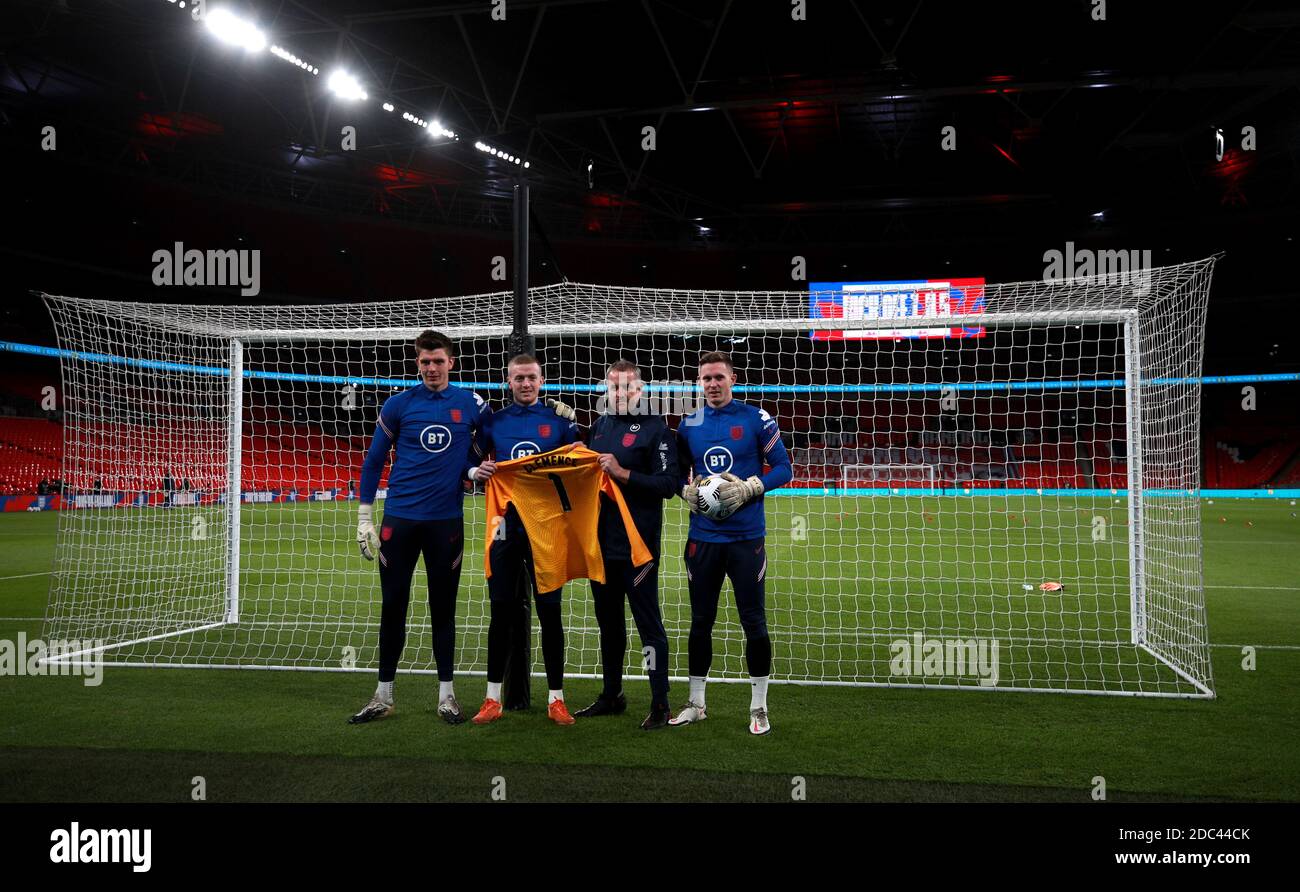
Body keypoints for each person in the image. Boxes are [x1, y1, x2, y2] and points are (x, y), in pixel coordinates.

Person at [349, 330, 490, 725]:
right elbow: (374, 460)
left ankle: (447, 695)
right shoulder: (399, 404)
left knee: (443, 609)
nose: (432, 368)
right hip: (400, 520)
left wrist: (469, 467)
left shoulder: (471, 403)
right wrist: (365, 517)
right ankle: (383, 694)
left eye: (438, 361)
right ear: (418, 363)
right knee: (392, 606)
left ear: (451, 362)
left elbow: (491, 436)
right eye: (425, 362)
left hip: (445, 522)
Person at [671, 351, 792, 735]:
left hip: (746, 539)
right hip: (702, 539)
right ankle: (696, 703)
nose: (712, 384)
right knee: (700, 622)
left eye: (718, 377)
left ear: (733, 378)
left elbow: (785, 468)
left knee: (753, 623)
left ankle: (759, 708)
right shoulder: (689, 423)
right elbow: (672, 472)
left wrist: (753, 486)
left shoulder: (756, 418)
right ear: (699, 383)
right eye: (706, 379)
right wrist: (684, 490)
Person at [468, 353, 580, 726]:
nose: (526, 384)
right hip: (503, 526)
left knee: (550, 612)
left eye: (531, 377)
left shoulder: (559, 422)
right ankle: (492, 698)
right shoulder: (492, 423)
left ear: (542, 379)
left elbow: (579, 463)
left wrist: (577, 425)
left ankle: (556, 699)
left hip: (545, 527)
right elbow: (467, 466)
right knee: (500, 610)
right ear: (509, 381)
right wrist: (476, 470)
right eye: (519, 378)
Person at [575, 360, 678, 730]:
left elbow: (668, 486)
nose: (620, 394)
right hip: (601, 547)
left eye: (628, 388)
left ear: (641, 392)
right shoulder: (599, 427)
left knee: (648, 627)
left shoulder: (657, 430)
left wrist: (623, 473)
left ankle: (660, 703)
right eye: (614, 388)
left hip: (638, 549)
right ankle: (612, 695)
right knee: (609, 626)